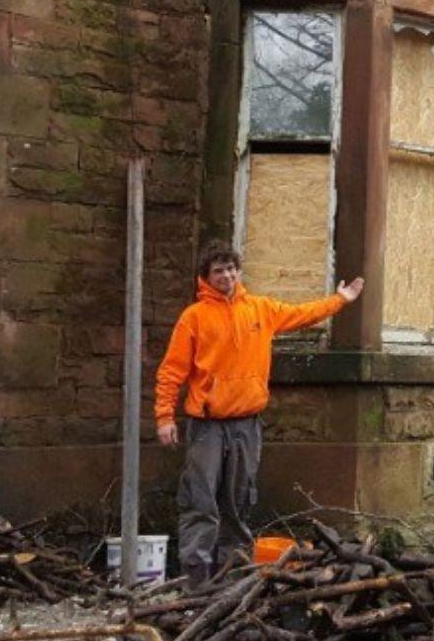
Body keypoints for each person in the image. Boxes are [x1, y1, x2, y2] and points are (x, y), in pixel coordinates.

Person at [154, 241, 363, 585]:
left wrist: (340, 301)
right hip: (206, 426)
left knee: (238, 502)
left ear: (239, 271)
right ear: (205, 277)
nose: (227, 275)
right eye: (218, 270)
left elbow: (302, 314)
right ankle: (197, 580)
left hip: (246, 425)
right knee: (200, 501)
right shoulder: (193, 317)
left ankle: (233, 578)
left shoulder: (260, 309)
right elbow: (171, 371)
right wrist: (164, 417)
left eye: (231, 268)